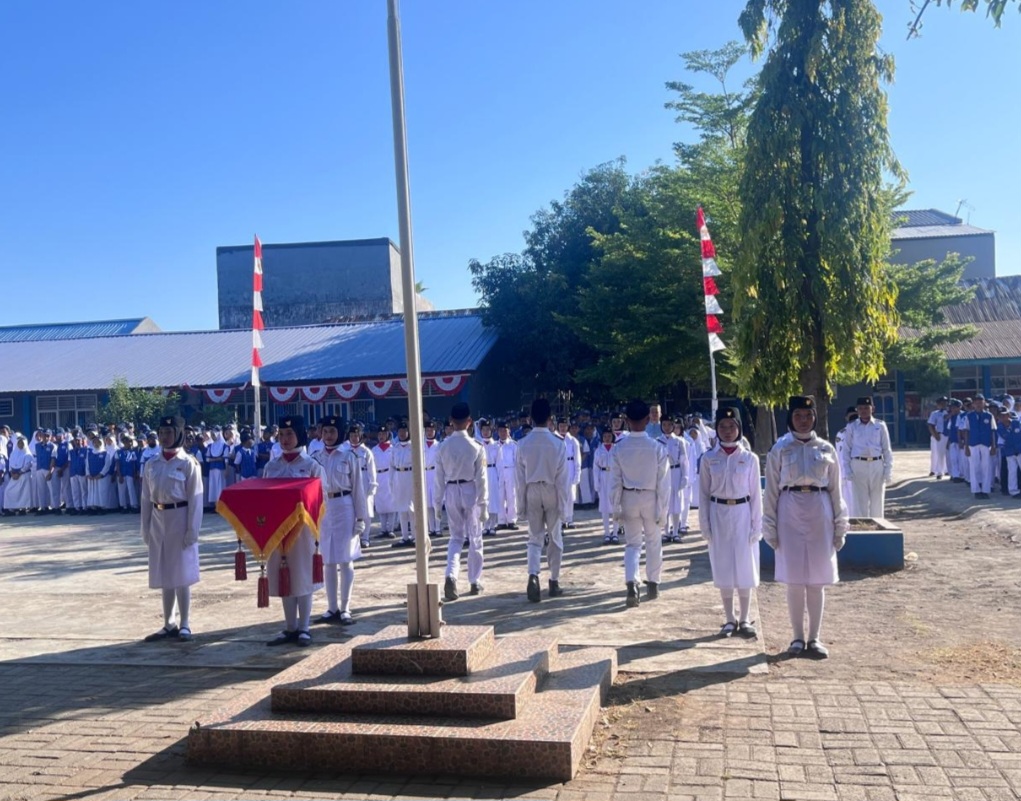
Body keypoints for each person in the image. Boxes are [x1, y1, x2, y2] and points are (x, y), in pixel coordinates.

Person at [763, 396, 848, 659]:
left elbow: (836, 488)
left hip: (819, 507)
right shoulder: (780, 449)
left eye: (808, 415)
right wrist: (770, 526)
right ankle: (797, 637)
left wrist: (840, 524)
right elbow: (771, 491)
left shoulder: (826, 448)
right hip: (789, 508)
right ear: (790, 417)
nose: (803, 420)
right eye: (798, 415)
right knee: (794, 579)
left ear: (814, 417)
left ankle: (815, 638)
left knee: (817, 580)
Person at [699, 407, 762, 637]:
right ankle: (729, 618)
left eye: (732, 426)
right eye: (723, 427)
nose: (727, 431)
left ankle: (745, 618)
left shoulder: (749, 458)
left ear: (739, 429)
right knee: (723, 565)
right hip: (718, 513)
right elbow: (703, 494)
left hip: (743, 513)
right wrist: (705, 525)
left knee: (745, 566)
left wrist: (757, 526)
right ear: (716, 430)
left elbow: (756, 495)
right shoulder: (708, 459)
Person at [139, 415, 204, 642]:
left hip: (180, 517)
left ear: (178, 434)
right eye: (161, 432)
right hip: (159, 518)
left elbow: (196, 500)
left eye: (168, 432)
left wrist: (192, 530)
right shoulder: (151, 464)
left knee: (181, 573)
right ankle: (168, 623)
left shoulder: (188, 464)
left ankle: (185, 622)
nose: (164, 437)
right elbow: (146, 498)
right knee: (164, 571)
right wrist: (145, 527)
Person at [262, 416, 324, 647]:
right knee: (283, 577)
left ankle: (305, 627)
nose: (285, 439)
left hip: (303, 530)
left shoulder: (311, 466)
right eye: (282, 435)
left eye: (290, 434)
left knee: (302, 576)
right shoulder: (272, 466)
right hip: (278, 531)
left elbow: (321, 498)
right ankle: (290, 627)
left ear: (300, 435)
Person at [610, 399, 670, 607]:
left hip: (628, 497)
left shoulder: (619, 448)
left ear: (626, 420)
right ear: (647, 419)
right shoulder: (657, 447)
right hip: (650, 496)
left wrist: (615, 506)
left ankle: (631, 584)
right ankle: (653, 583)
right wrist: (662, 509)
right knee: (654, 541)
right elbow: (664, 482)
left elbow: (614, 481)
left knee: (632, 544)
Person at [313, 416, 369, 626]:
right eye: (326, 431)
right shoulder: (315, 457)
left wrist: (361, 518)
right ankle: (331, 607)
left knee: (346, 559)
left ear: (340, 433)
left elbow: (358, 490)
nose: (329, 435)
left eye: (333, 431)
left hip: (345, 506)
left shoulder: (349, 456)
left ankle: (345, 607)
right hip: (324, 509)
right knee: (327, 561)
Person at [515, 397, 570, 602]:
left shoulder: (522, 444)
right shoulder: (558, 444)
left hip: (531, 489)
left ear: (530, 418)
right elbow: (563, 481)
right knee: (555, 538)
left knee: (534, 537)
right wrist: (565, 508)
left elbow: (519, 480)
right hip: (551, 489)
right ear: (550, 418)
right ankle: (554, 581)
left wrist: (520, 506)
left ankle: (533, 576)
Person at [435, 402, 488, 600]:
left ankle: (451, 575)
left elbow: (438, 478)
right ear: (469, 422)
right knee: (475, 537)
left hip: (450, 490)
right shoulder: (476, 446)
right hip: (470, 490)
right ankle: (474, 581)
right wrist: (484, 504)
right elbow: (482, 478)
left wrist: (436, 503)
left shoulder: (443, 447)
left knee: (456, 538)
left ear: (451, 421)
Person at [839, 396, 893, 519]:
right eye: (860, 408)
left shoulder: (880, 425)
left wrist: (888, 470)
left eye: (866, 408)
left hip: (876, 464)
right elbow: (846, 450)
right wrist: (847, 470)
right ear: (857, 410)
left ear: (872, 409)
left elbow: (887, 449)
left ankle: (878, 526)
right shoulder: (852, 426)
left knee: (877, 499)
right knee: (859, 500)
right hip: (858, 464)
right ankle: (862, 528)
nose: (863, 410)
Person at [342, 422, 376, 549]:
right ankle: (355, 538)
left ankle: (365, 537)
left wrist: (372, 486)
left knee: (366, 511)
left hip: (364, 480)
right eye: (352, 435)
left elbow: (372, 470)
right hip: (351, 481)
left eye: (356, 435)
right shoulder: (345, 451)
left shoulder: (366, 451)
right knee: (352, 510)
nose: (354, 438)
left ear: (361, 436)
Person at [656, 416, 688, 544]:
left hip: (676, 471)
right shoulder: (657, 441)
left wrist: (685, 476)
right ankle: (666, 532)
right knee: (665, 502)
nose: (667, 427)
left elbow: (684, 460)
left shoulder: (679, 441)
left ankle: (675, 532)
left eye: (670, 424)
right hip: (664, 473)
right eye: (664, 425)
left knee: (676, 502)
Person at [959, 393, 996, 499]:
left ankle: (985, 490)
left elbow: (993, 431)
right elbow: (966, 431)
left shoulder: (989, 416)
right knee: (974, 467)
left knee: (986, 467)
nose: (979, 404)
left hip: (986, 444)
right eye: (977, 403)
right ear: (973, 404)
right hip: (973, 444)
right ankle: (976, 490)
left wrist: (993, 446)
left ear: (984, 403)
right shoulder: (969, 416)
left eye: (981, 402)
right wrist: (966, 447)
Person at [389, 419, 416, 547]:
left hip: (410, 475)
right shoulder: (395, 448)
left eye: (404, 431)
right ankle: (404, 537)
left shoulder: (413, 446)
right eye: (400, 431)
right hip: (398, 476)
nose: (402, 433)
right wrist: (391, 482)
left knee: (412, 509)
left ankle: (415, 536)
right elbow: (392, 466)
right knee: (401, 509)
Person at [371, 424, 398, 539]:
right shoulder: (374, 450)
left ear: (388, 435)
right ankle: (383, 529)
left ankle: (390, 529)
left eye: (384, 434)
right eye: (380, 434)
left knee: (391, 504)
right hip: (378, 475)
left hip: (389, 474)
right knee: (381, 504)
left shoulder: (393, 448)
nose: (381, 436)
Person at [476, 419, 501, 537]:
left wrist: (499, 477)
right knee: (483, 499)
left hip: (492, 471)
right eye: (483, 430)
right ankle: (484, 526)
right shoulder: (478, 445)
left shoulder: (496, 445)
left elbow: (499, 463)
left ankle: (492, 525)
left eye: (488, 429)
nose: (485, 432)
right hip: (482, 471)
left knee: (493, 499)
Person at [593, 428, 617, 544]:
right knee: (605, 508)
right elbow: (595, 468)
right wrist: (596, 483)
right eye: (605, 436)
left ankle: (615, 532)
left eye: (609, 436)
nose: (607, 438)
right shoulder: (599, 450)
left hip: (614, 477)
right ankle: (607, 533)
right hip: (603, 477)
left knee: (616, 506)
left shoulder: (616, 449)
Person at [557, 417, 582, 529]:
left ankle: (570, 519)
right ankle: (561, 519)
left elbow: (577, 460)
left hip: (570, 466)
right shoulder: (554, 439)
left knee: (570, 496)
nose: (563, 428)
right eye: (561, 425)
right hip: (559, 469)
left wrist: (577, 474)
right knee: (559, 496)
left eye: (565, 426)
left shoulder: (573, 441)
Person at [495, 421, 519, 530]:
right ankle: (501, 521)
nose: (503, 433)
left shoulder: (513, 445)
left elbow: (517, 461)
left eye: (505, 430)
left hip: (510, 471)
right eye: (501, 431)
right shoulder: (495, 445)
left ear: (509, 431)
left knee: (511, 496)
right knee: (500, 497)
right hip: (499, 472)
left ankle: (512, 520)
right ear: (497, 432)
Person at [4, 435, 34, 515]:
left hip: (24, 475)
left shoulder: (28, 454)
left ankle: (23, 509)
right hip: (14, 476)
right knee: (8, 491)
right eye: (19, 443)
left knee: (24, 493)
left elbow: (28, 465)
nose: (20, 444)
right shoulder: (14, 453)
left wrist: (19, 473)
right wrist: (12, 473)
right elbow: (10, 464)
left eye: (22, 443)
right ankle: (11, 509)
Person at [116, 434, 141, 513]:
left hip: (130, 473)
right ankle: (124, 506)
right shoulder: (119, 452)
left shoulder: (133, 452)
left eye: (129, 441)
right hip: (122, 473)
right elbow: (117, 464)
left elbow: (135, 463)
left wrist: (136, 473)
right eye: (125, 441)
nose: (127, 443)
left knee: (131, 489)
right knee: (122, 490)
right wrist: (119, 475)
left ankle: (134, 505)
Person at [927, 397, 949, 479]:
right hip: (940, 434)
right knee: (939, 454)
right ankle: (939, 472)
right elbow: (930, 425)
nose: (944, 404)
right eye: (942, 403)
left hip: (949, 435)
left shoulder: (950, 412)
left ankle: (947, 470)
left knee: (949, 454)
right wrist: (935, 434)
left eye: (945, 403)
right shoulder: (935, 413)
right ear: (938, 404)